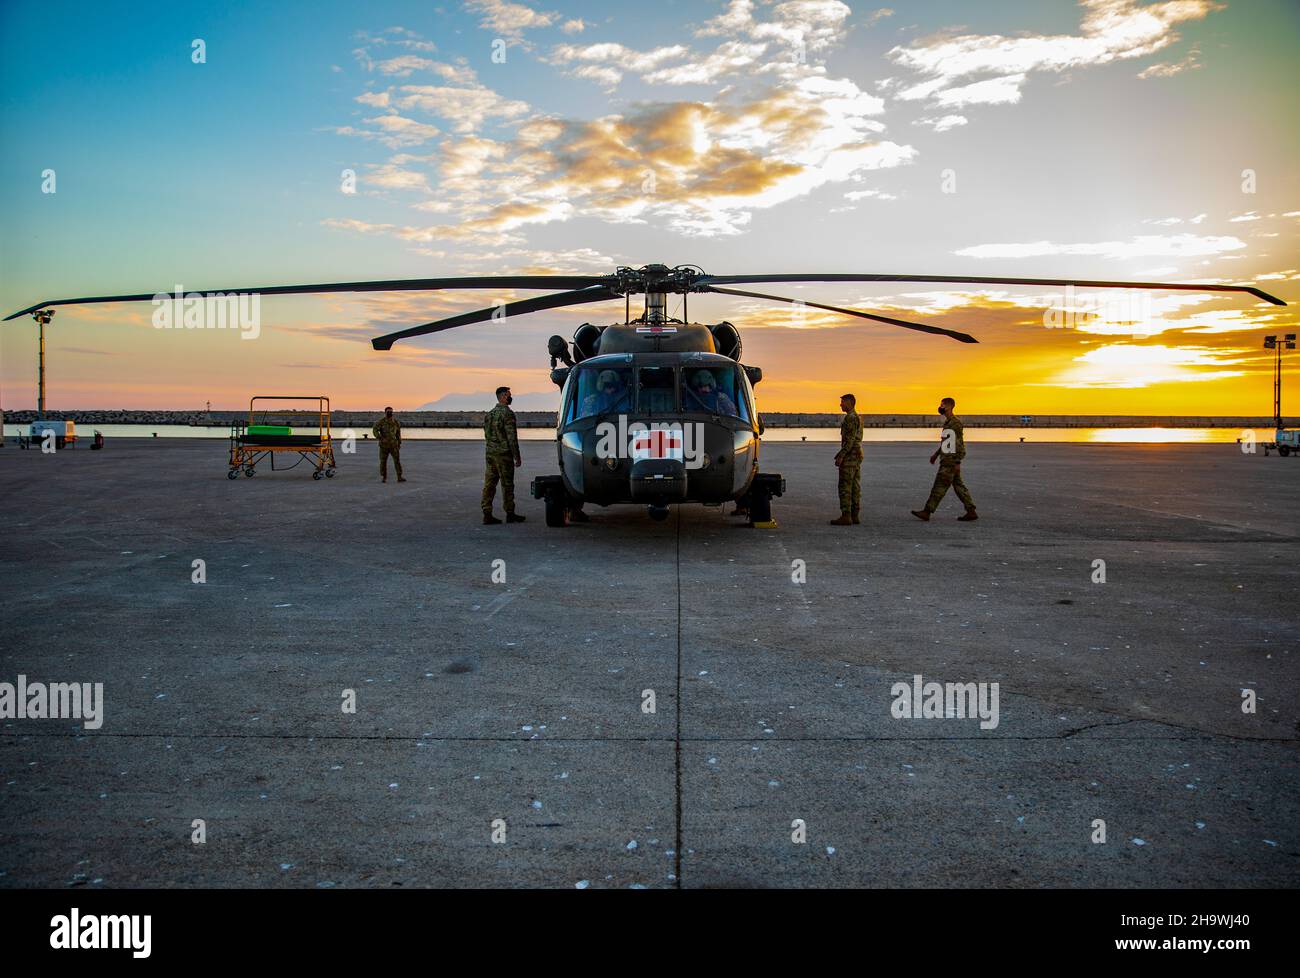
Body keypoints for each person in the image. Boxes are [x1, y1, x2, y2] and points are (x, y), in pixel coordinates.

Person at [912, 396, 977, 522]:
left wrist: (957, 462)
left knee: (939, 486)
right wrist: (936, 454)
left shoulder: (955, 423)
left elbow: (958, 444)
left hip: (950, 461)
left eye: (942, 405)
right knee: (958, 486)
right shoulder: (948, 422)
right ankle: (971, 511)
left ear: (949, 407)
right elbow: (947, 443)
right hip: (947, 459)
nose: (940, 407)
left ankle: (927, 512)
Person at [482, 386, 525, 524]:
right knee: (507, 485)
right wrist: (516, 456)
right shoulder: (507, 414)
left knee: (489, 484)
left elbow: (487, 435)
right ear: (502, 396)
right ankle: (510, 513)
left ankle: (487, 513)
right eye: (508, 395)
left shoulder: (489, 414)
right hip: (503, 455)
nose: (510, 397)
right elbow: (512, 438)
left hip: (490, 454)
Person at [830, 393, 863, 525]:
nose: (841, 404)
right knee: (855, 485)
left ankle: (846, 515)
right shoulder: (857, 417)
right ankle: (855, 515)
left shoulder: (850, 418)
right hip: (856, 454)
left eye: (843, 402)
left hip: (850, 456)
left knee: (845, 485)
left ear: (850, 402)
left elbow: (848, 441)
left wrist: (841, 456)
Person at [372, 406, 405, 483]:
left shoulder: (396, 422)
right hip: (384, 446)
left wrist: (399, 443)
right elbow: (375, 430)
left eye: (391, 411)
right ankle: (384, 477)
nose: (390, 413)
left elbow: (398, 434)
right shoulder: (381, 422)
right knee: (383, 462)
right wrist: (380, 438)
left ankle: (399, 476)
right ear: (385, 412)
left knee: (397, 461)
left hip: (394, 445)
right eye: (388, 412)